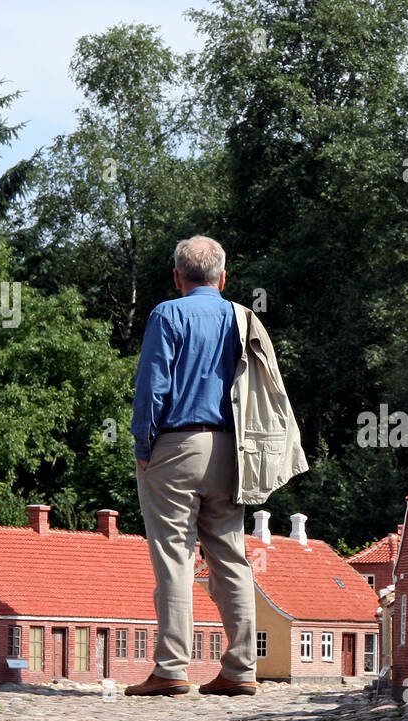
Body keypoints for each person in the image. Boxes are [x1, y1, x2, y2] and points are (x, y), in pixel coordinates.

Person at [126, 235, 304, 697]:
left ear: (177, 277)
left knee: (174, 558)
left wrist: (143, 444)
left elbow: (152, 385)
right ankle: (241, 668)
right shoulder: (242, 317)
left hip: (176, 446)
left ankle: (171, 668)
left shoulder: (167, 313)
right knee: (231, 557)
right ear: (223, 278)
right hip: (234, 449)